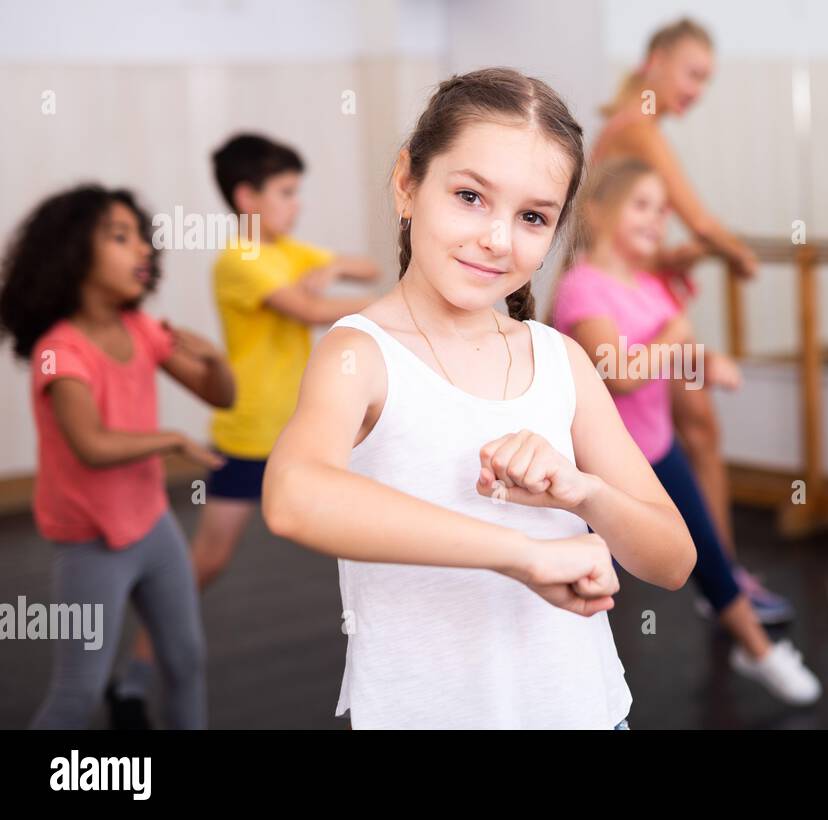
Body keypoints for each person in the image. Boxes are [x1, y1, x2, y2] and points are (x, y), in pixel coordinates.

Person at [263, 68, 697, 729]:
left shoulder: (561, 362)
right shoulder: (360, 354)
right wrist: (521, 554)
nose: (497, 239)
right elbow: (295, 497)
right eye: (470, 196)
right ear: (408, 183)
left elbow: (672, 559)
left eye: (531, 217)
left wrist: (581, 491)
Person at [552, 157, 822, 705]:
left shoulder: (649, 286)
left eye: (663, 210)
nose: (657, 220)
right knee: (584, 578)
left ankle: (759, 651)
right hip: (600, 463)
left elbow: (670, 358)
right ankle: (572, 689)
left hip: (657, 448)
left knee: (707, 553)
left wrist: (706, 361)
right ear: (600, 213)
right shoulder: (584, 288)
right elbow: (621, 372)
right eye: (642, 206)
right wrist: (678, 336)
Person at [126, 134, 380, 707]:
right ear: (247, 197)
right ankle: (138, 668)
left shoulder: (289, 249)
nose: (298, 204)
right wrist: (398, 303)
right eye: (287, 192)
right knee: (207, 562)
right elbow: (311, 311)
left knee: (369, 536)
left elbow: (365, 268)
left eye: (298, 191)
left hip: (308, 429)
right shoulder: (237, 260)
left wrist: (334, 263)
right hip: (247, 434)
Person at [0, 185, 235, 728]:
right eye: (120, 237)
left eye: (141, 238)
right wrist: (171, 439)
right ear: (73, 252)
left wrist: (216, 358)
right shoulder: (59, 351)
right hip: (91, 544)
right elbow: (92, 445)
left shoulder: (140, 328)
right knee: (76, 695)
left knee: (186, 662)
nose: (142, 251)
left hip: (153, 527)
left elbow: (220, 395)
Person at [592, 16, 792, 623]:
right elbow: (701, 219)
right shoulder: (640, 132)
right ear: (655, 62)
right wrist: (742, 256)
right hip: (625, 301)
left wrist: (666, 256)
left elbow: (619, 231)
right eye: (694, 74)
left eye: (707, 81)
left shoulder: (619, 129)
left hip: (632, 287)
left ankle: (719, 575)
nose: (698, 92)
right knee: (691, 430)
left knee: (694, 427)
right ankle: (721, 578)